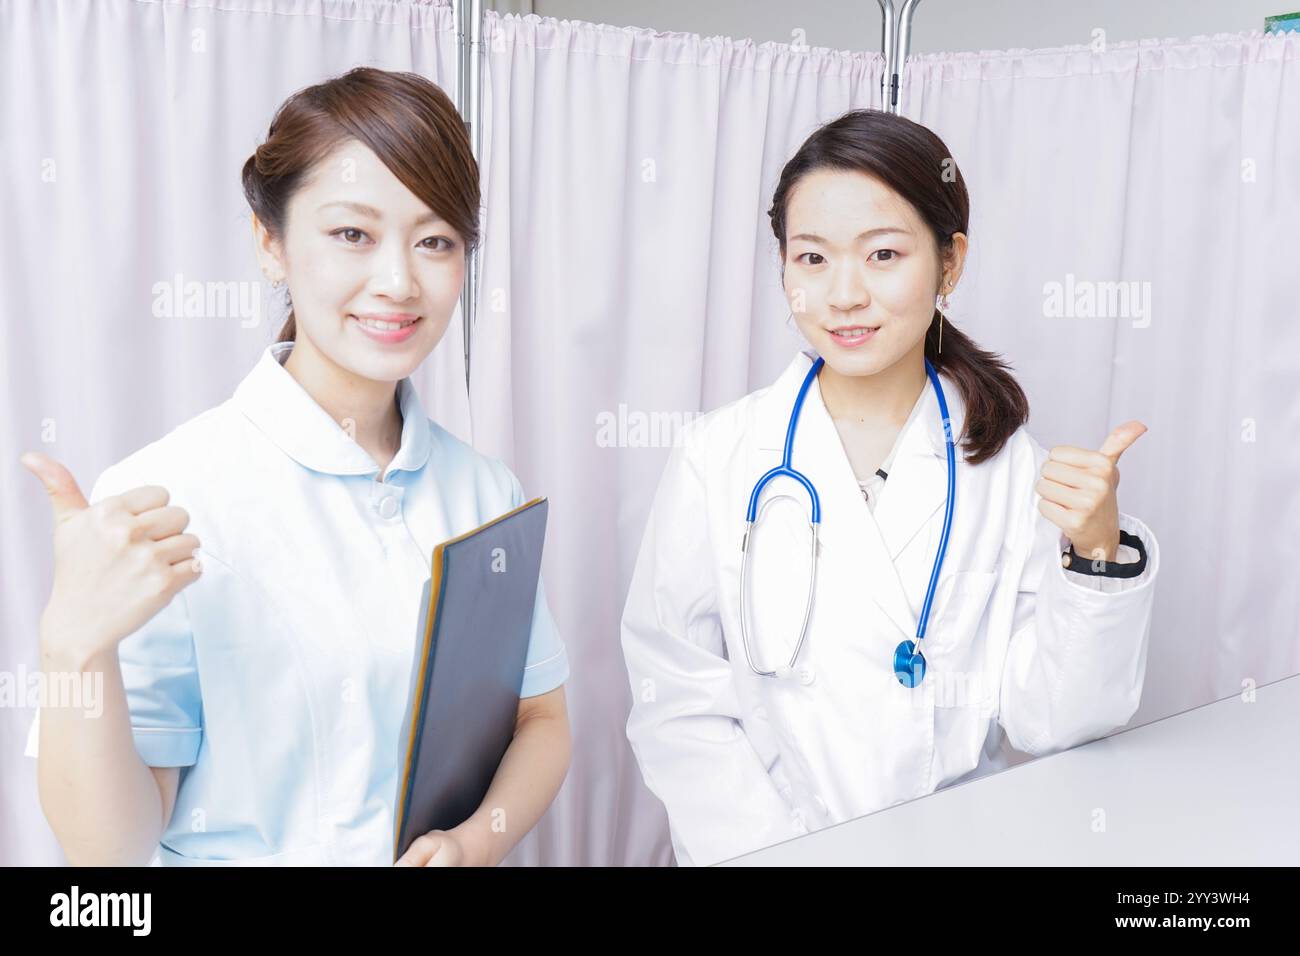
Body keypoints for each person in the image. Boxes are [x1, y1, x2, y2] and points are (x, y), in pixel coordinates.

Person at [21, 67, 570, 867]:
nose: (397, 281)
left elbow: (542, 723)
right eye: (353, 234)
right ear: (269, 242)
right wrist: (74, 650)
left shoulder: (486, 492)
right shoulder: (165, 498)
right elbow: (107, 856)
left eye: (436, 241)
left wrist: (471, 844)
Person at [619, 109, 1160, 867]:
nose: (843, 295)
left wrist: (1096, 552)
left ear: (949, 263)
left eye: (882, 255)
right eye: (811, 259)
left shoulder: (1009, 468)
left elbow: (1055, 720)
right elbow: (675, 699)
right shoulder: (719, 455)